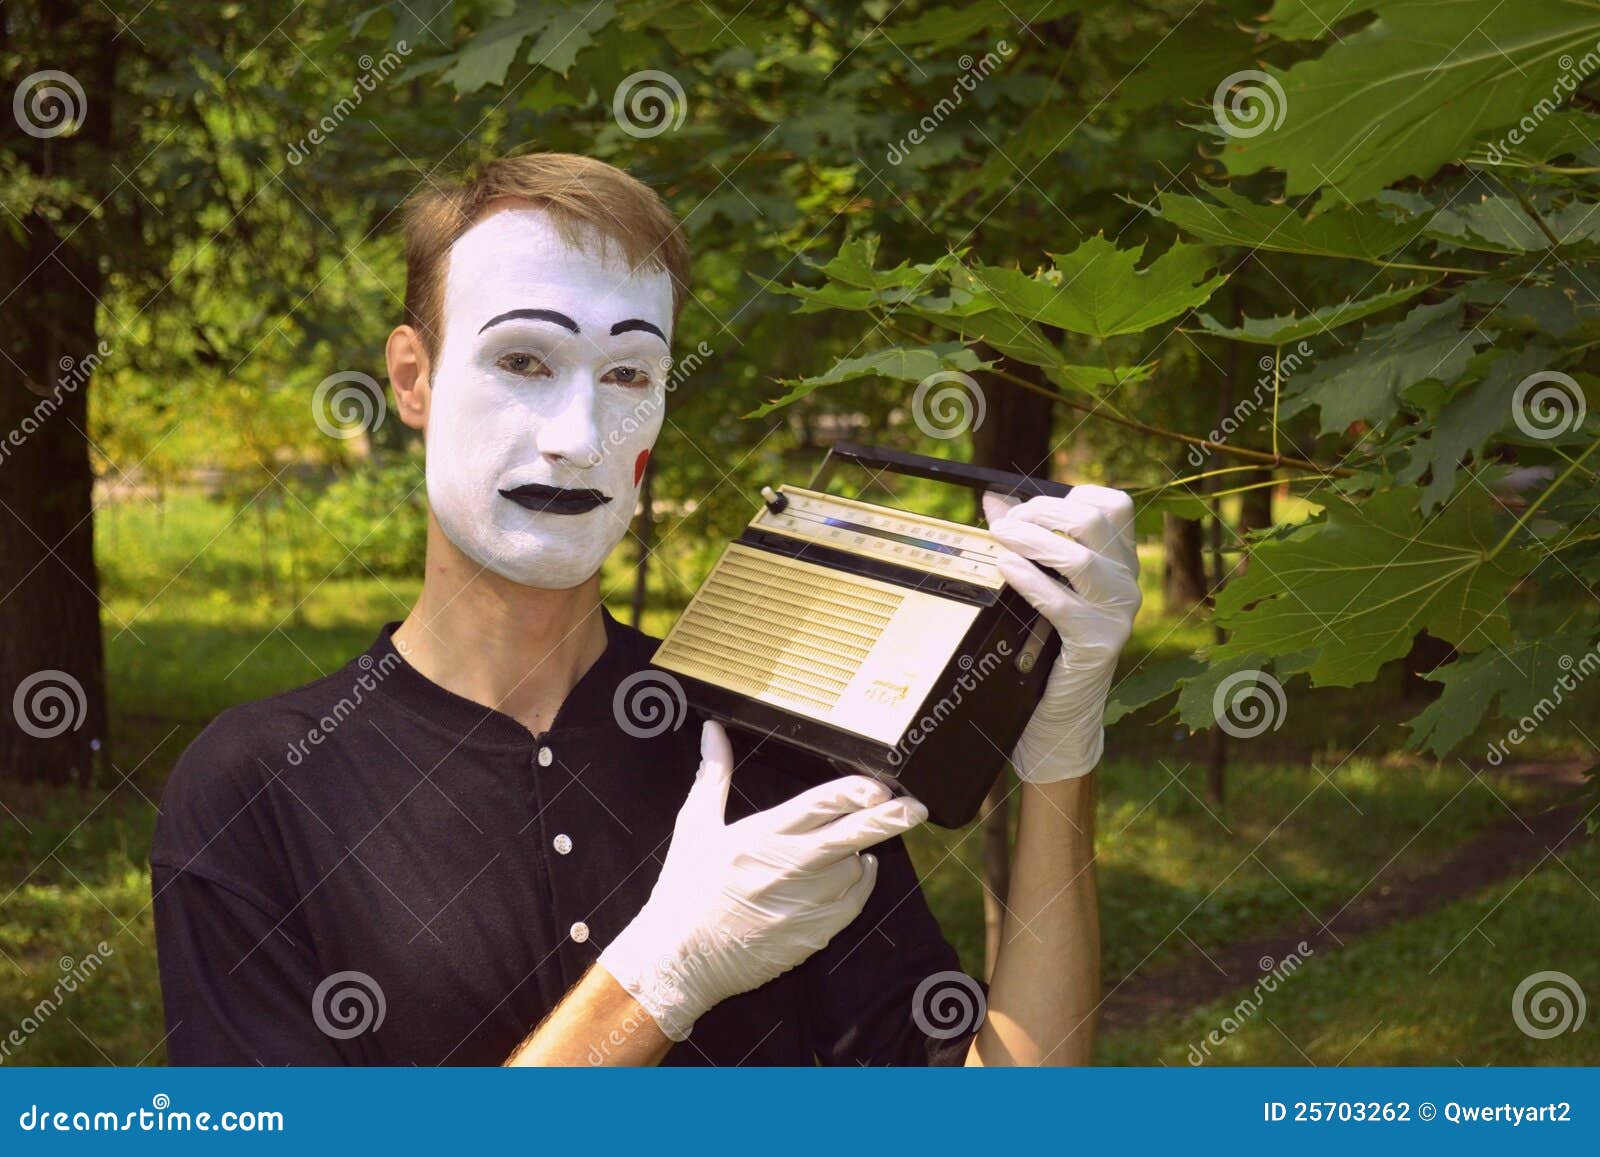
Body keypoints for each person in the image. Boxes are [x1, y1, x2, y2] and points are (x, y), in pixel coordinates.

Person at [151, 152, 1142, 1066]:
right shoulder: (256, 789)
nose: (578, 437)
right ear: (412, 376)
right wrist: (662, 973)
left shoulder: (770, 735)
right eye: (524, 361)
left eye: (627, 374)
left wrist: (1059, 749)